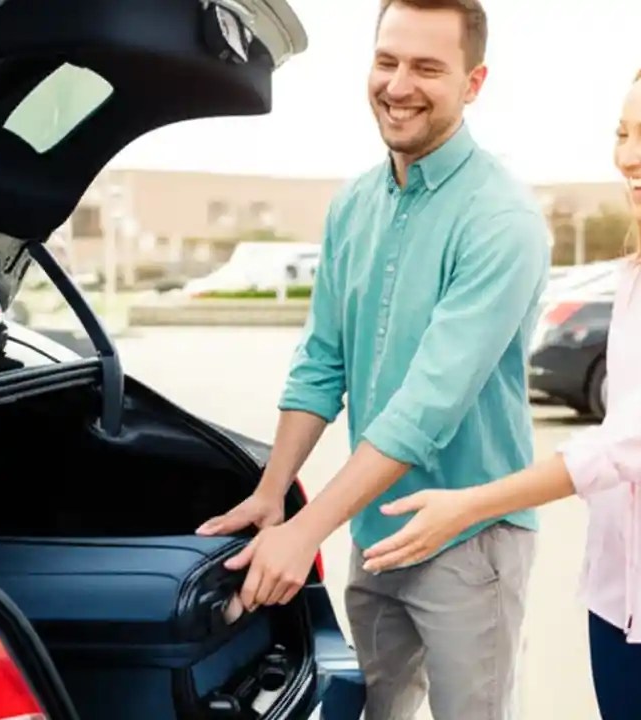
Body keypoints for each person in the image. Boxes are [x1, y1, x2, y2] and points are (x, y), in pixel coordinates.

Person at [360, 47, 641, 720]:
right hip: (624, 604)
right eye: (622, 134)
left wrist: (472, 504)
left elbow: (634, 443)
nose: (628, 156)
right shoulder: (639, 273)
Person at [196, 1, 549, 718]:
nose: (398, 85)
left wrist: (306, 529)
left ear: (473, 82)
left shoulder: (501, 221)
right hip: (375, 527)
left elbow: (425, 407)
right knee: (375, 710)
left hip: (469, 536)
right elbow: (322, 360)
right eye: (386, 61)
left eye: (427, 67)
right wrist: (274, 491)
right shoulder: (355, 203)